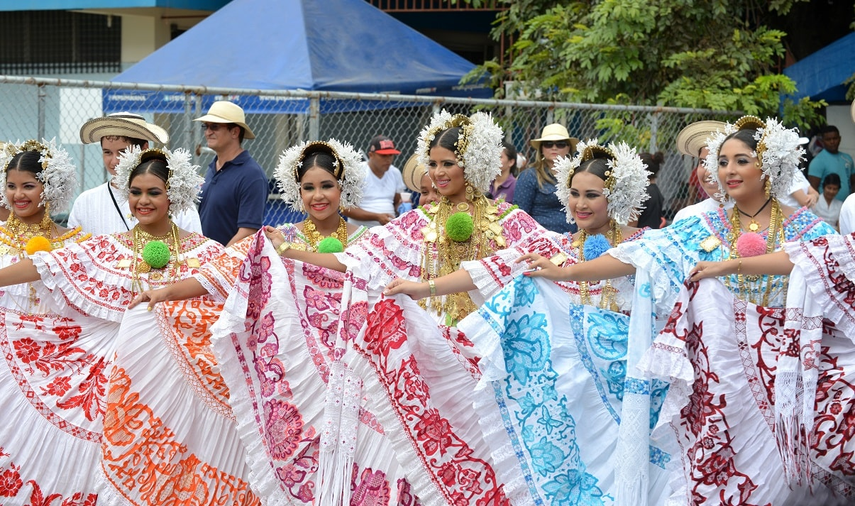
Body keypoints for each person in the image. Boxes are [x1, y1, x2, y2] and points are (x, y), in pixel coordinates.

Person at [211, 110, 551, 503]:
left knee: (490, 451)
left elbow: (550, 258)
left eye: (449, 164)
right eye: (434, 164)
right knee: (427, 457)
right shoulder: (416, 221)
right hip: (427, 353)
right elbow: (356, 262)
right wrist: (288, 250)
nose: (438, 173)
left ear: (473, 164)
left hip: (485, 351)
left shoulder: (510, 220)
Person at [518, 116, 844, 504]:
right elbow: (638, 257)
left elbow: (820, 262)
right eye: (722, 162)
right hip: (719, 378)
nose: (728, 171)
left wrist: (731, 265)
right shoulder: (701, 223)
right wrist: (566, 271)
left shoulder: (807, 229)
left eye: (741, 160)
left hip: (786, 373)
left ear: (770, 165)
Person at [385, 139, 675, 504]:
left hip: (632, 387)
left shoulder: (648, 244)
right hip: (576, 394)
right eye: (574, 193)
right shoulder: (556, 247)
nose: (581, 204)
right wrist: (422, 289)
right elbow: (491, 269)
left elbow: (632, 261)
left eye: (592, 195)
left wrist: (565, 273)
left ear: (616, 197)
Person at [0, 145, 259, 503]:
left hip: (183, 384)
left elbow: (241, 292)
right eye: (136, 192)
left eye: (154, 192)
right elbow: (48, 265)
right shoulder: (108, 248)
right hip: (118, 375)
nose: (143, 201)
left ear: (175, 195)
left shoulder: (208, 251)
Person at [70, 112, 202, 235]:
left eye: (123, 152)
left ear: (144, 148)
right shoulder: (86, 202)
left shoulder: (176, 200)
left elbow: (195, 247)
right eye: (107, 152)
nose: (114, 160)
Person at [194, 100, 268, 246]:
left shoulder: (252, 175)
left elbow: (248, 231)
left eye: (214, 127)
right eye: (206, 126)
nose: (208, 132)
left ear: (235, 132)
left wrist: (219, 260)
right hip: (207, 260)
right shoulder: (212, 167)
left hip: (229, 265)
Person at [515, 123, 579, 234]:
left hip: (575, 238)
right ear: (542, 149)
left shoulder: (578, 174)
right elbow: (519, 215)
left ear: (568, 148)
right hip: (541, 240)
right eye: (548, 144)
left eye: (560, 144)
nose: (554, 148)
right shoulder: (529, 176)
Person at [672, 120, 733, 222]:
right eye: (703, 162)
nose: (709, 172)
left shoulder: (758, 216)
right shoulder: (686, 216)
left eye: (720, 163)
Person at [343, 135, 404, 227]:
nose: (388, 160)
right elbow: (345, 208)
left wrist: (402, 206)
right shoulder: (357, 171)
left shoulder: (395, 172)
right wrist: (377, 217)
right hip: (360, 231)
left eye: (391, 155)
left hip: (389, 230)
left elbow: (397, 202)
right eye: (383, 156)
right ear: (371, 155)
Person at [808, 125, 854, 201]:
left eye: (835, 138)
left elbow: (853, 183)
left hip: (847, 205)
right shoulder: (817, 161)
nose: (832, 142)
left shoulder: (847, 158)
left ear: (839, 139)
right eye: (828, 139)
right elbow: (813, 189)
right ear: (822, 141)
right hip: (826, 210)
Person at [633, 151, 665, 228]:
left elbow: (632, 225)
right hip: (651, 236)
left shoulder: (640, 193)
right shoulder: (656, 191)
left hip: (638, 237)